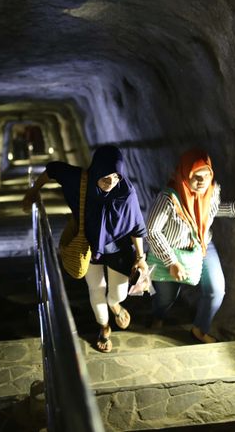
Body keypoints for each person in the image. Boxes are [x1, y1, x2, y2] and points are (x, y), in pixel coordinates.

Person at [22, 146, 148, 352]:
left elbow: (137, 226)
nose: (111, 181)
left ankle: (115, 304)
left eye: (116, 176)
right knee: (96, 289)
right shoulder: (79, 180)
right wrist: (33, 190)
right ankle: (104, 327)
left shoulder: (126, 191)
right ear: (96, 169)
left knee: (118, 294)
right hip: (88, 246)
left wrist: (140, 257)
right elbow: (52, 169)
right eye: (106, 176)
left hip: (119, 249)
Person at [146, 149, 235, 343]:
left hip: (201, 245)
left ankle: (199, 329)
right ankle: (158, 316)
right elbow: (152, 231)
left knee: (216, 290)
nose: (202, 181)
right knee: (167, 298)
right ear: (185, 174)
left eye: (206, 176)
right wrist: (171, 261)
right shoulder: (168, 199)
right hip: (170, 251)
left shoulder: (211, 192)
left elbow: (211, 212)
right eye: (196, 177)